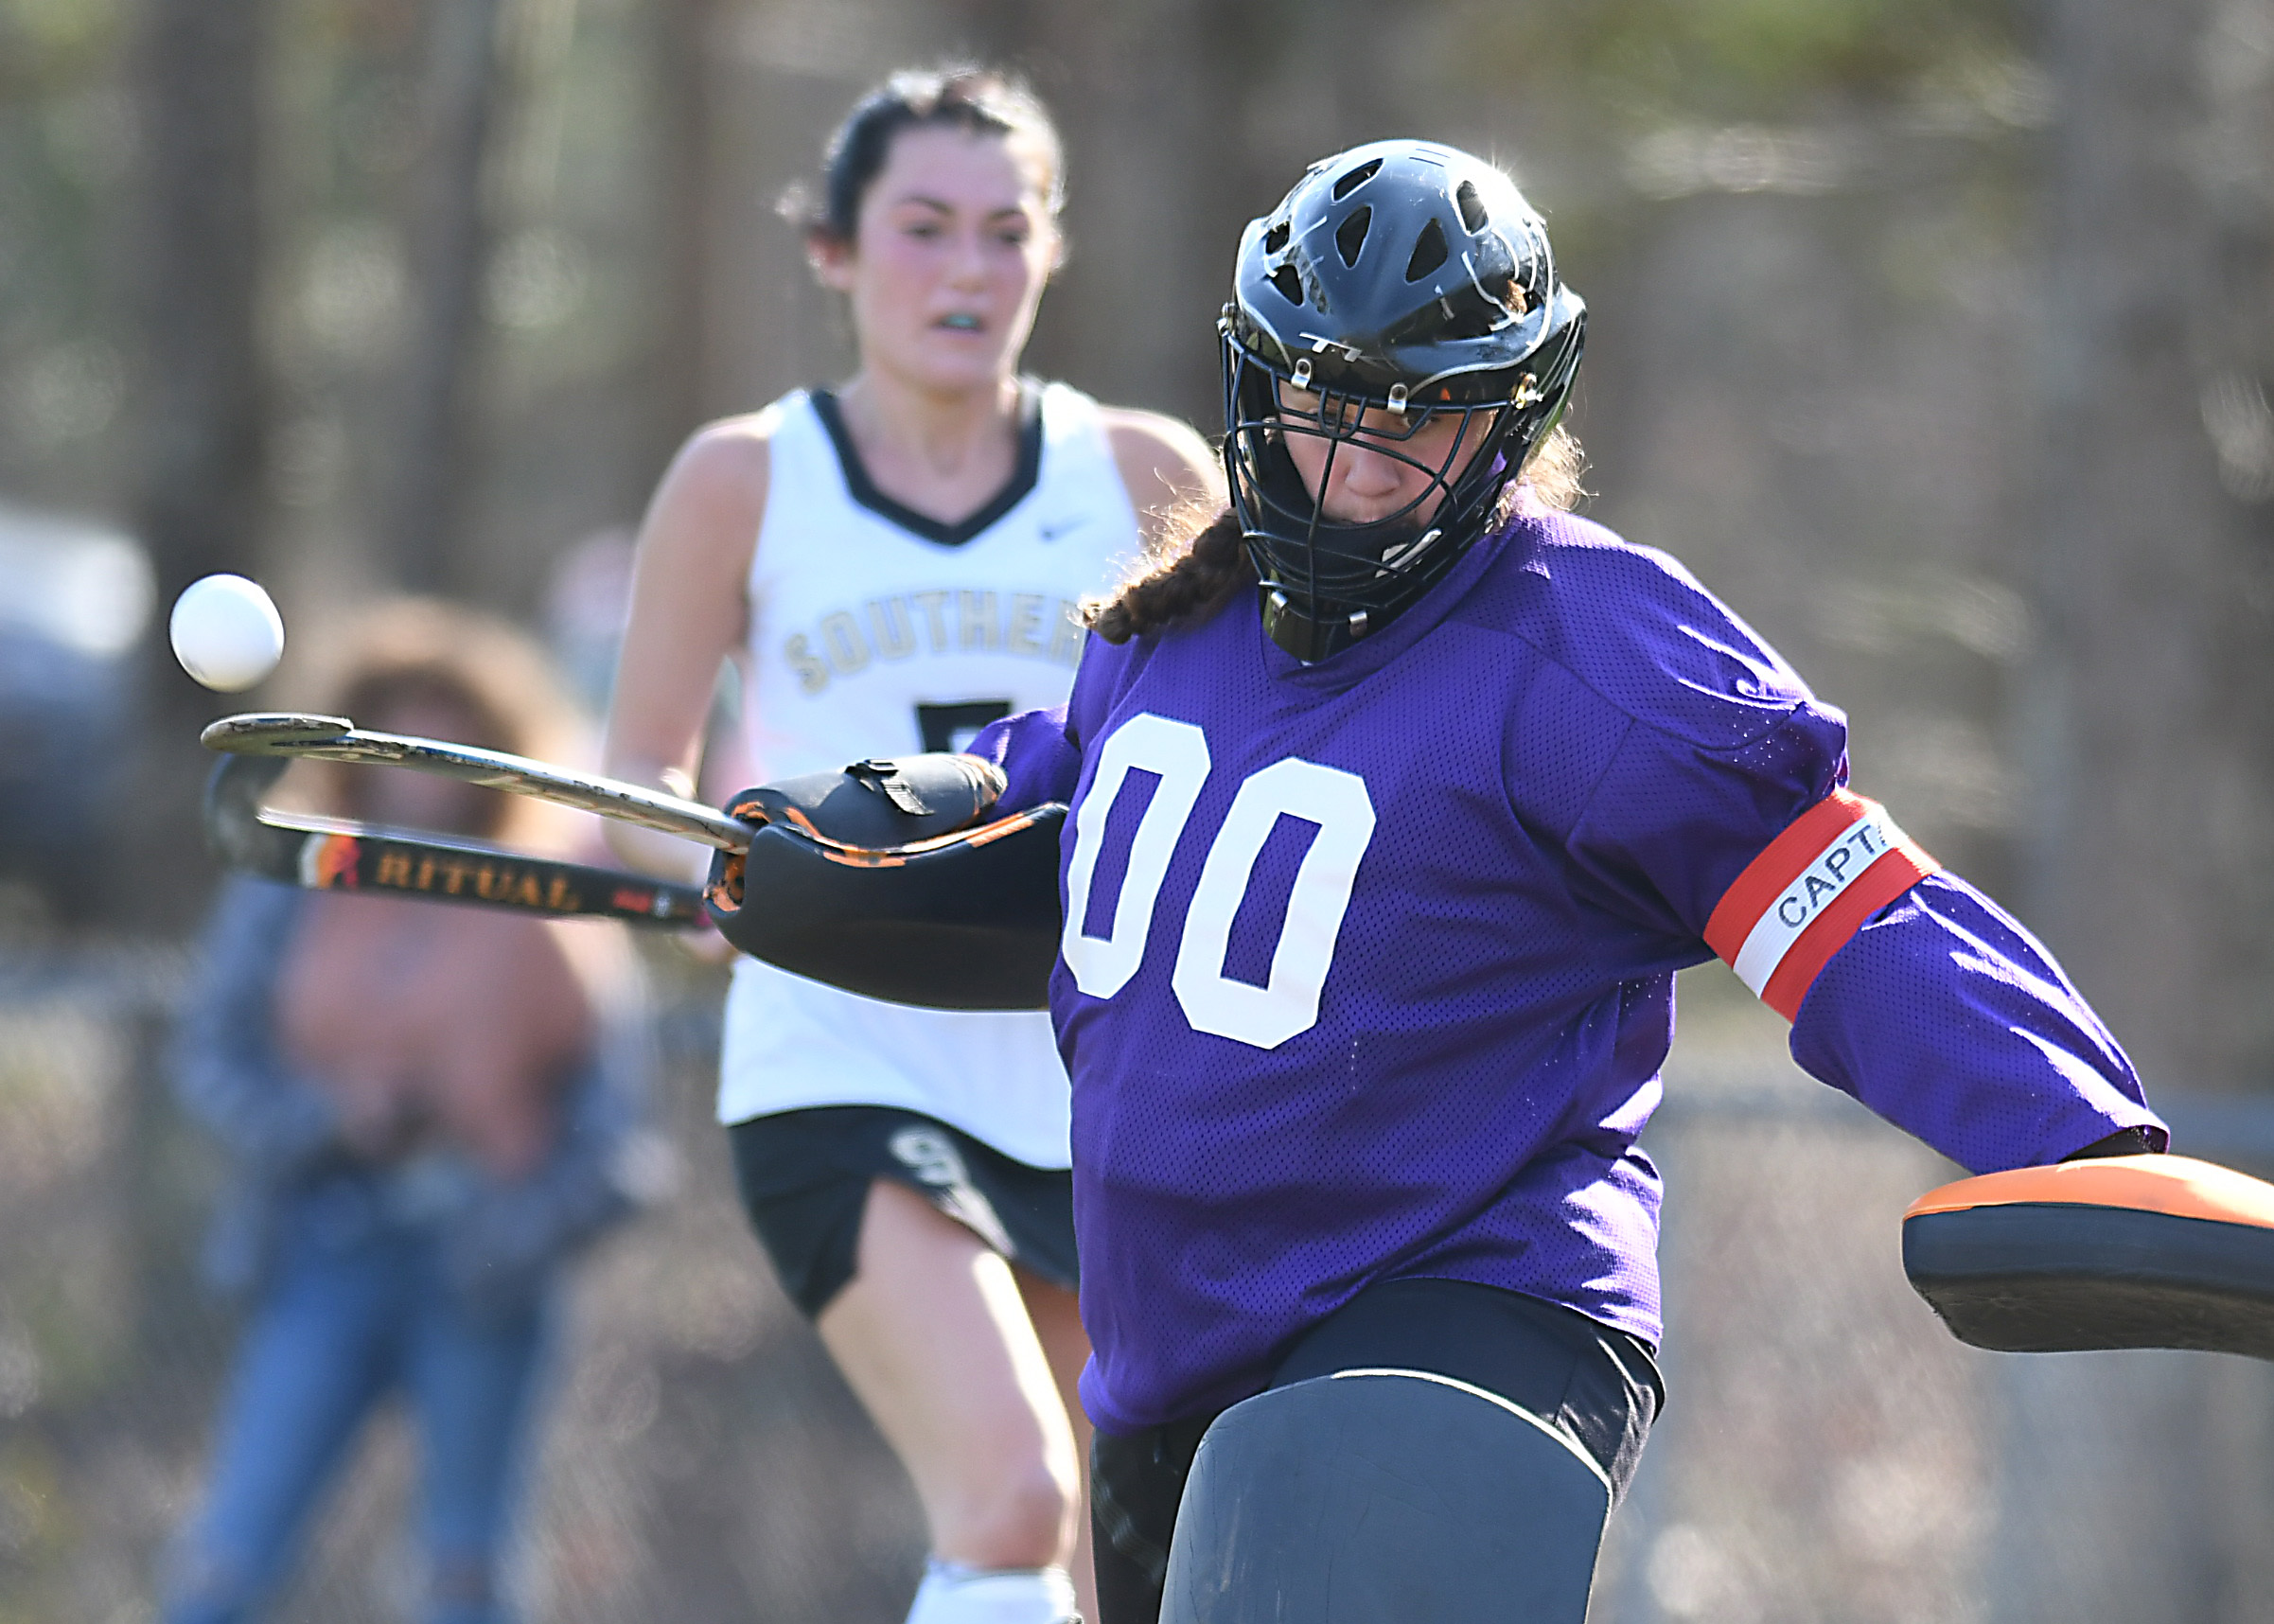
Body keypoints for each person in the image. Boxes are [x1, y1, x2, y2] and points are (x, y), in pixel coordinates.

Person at [871, 139, 2159, 1622]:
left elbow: (1853, 921)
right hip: (1171, 1353)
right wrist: (869, 818)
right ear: (1250, 379)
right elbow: (1060, 789)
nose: (1355, 465)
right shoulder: (1169, 626)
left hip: (1450, 1318)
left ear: (1504, 419)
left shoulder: (1588, 651)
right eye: (1322, 402)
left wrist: (2078, 1140)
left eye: (1416, 420)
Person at [600, 66, 1220, 1624]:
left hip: (1096, 1078)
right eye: (922, 228)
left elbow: (1242, 755)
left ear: (1048, 253)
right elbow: (639, 771)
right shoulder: (743, 479)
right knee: (1012, 1493)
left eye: (1004, 232)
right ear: (834, 250)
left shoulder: (1144, 478)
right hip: (842, 1055)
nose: (965, 270)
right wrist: (692, 876)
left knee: (1118, 1567)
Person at [164, 602, 652, 1624]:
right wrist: (328, 1120)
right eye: (399, 741)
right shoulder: (291, 883)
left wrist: (511, 1227)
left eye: (448, 745)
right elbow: (211, 1061)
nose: (420, 778)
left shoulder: (551, 905)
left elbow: (619, 1149)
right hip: (323, 1249)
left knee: (463, 1578)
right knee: (227, 1561)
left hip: (483, 1273)